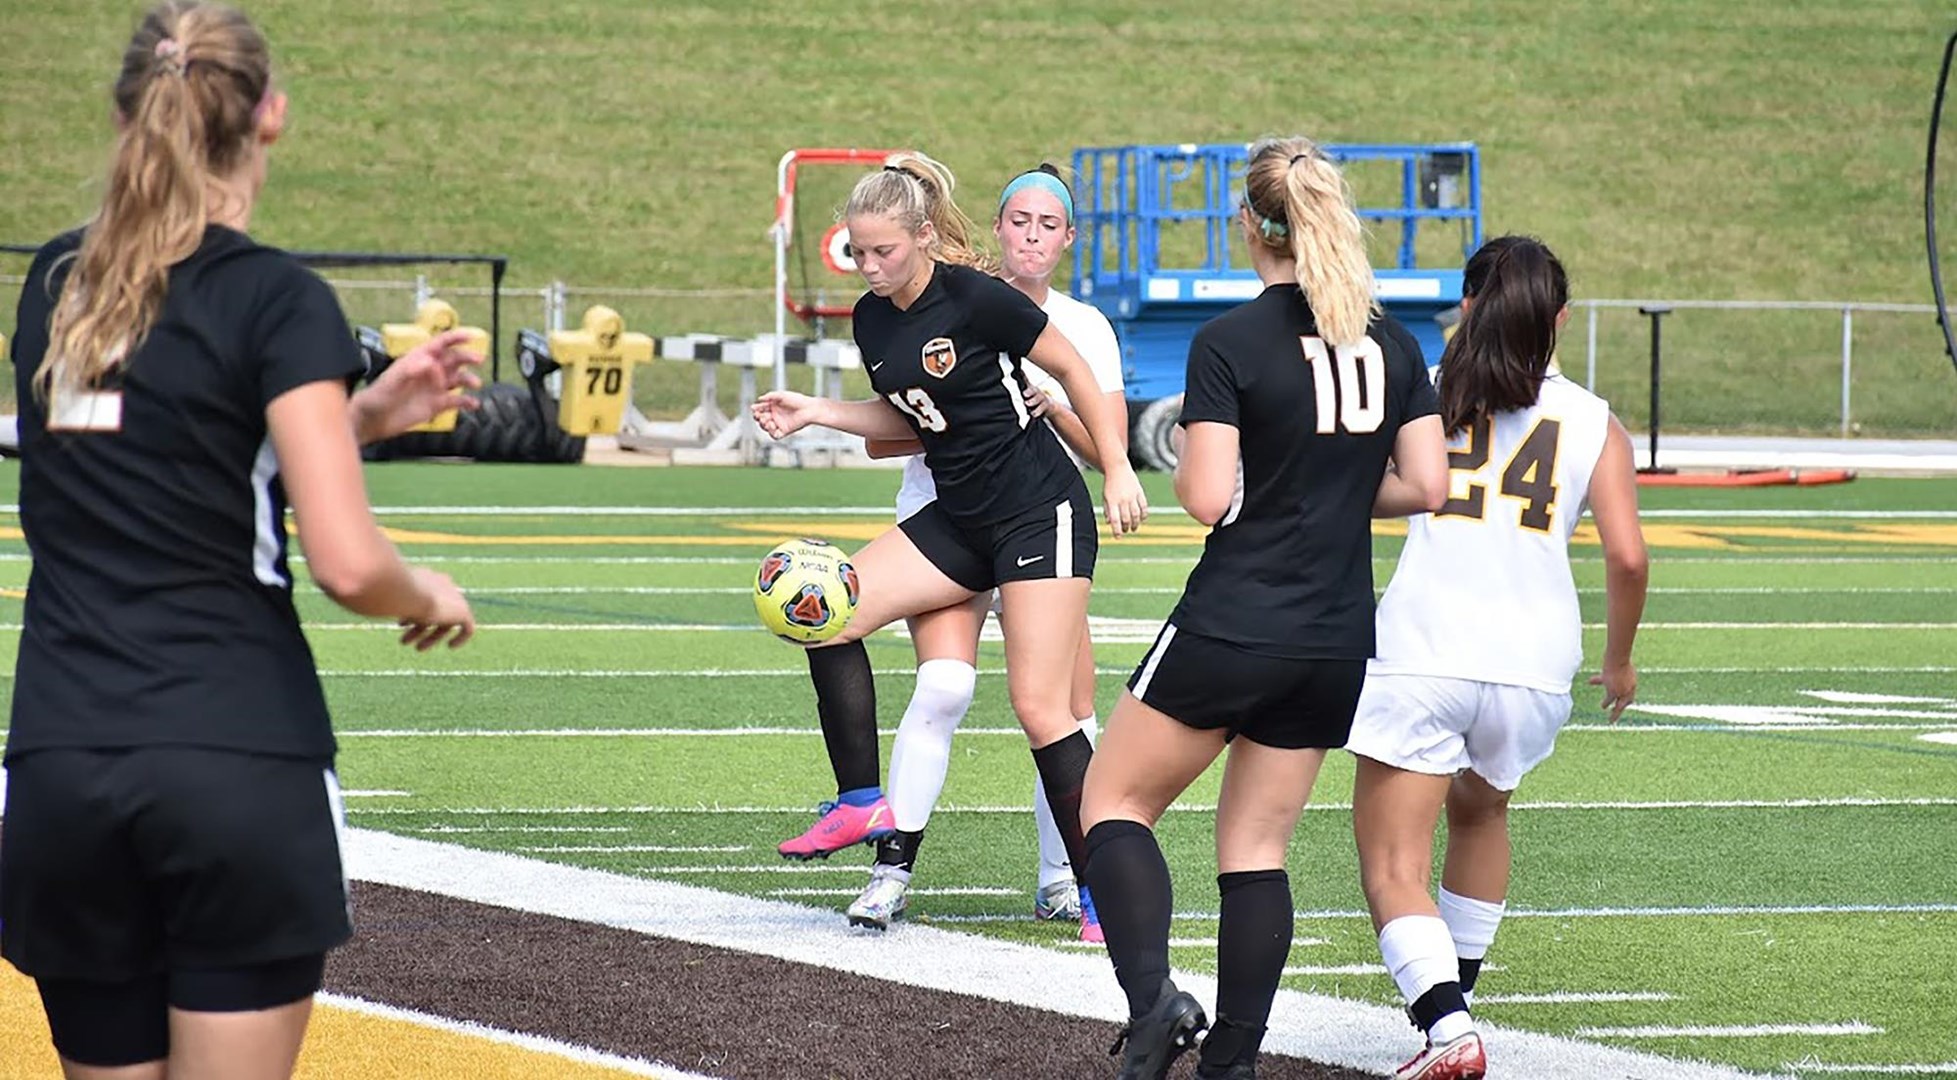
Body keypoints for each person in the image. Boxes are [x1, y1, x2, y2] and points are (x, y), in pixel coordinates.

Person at [0, 4, 479, 1076]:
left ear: (126, 111)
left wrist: (350, 420)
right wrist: (429, 593)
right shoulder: (279, 299)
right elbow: (350, 566)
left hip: (63, 765)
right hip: (235, 757)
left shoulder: (60, 285)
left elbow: (146, 452)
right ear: (271, 116)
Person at [1076, 135, 1449, 1080]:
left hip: (1235, 617)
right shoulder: (1394, 340)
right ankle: (1233, 1060)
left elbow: (1204, 497)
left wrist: (1280, 482)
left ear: (1249, 223)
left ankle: (1155, 1003)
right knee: (1255, 848)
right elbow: (1429, 483)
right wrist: (1328, 488)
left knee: (1112, 802)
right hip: (1332, 636)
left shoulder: (1230, 339)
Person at [751, 154, 1146, 950]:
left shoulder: (975, 297)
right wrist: (814, 411)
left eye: (883, 251)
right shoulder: (871, 317)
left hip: (1038, 514)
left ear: (923, 236)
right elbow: (907, 420)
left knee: (1043, 708)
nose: (868, 267)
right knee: (826, 613)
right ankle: (861, 800)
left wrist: (1120, 469)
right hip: (960, 518)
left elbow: (1067, 365)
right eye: (857, 252)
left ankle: (1103, 886)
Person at [1344, 235, 1649, 1080]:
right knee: (1481, 815)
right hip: (1535, 662)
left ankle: (1447, 1029)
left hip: (1424, 647)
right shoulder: (1595, 419)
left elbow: (1349, 493)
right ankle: (1453, 1015)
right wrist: (1618, 664)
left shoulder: (1423, 392)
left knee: (1392, 863)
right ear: (1556, 319)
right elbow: (1626, 558)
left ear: (1467, 304)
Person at [848, 163, 1127, 937]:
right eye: (1018, 221)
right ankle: (888, 871)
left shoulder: (1082, 328)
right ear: (995, 226)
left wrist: (1055, 410)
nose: (1031, 236)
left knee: (1062, 710)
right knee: (941, 688)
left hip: (1038, 523)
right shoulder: (932, 293)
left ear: (1068, 238)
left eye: (1048, 225)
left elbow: (1107, 446)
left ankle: (1064, 880)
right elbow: (894, 430)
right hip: (943, 514)